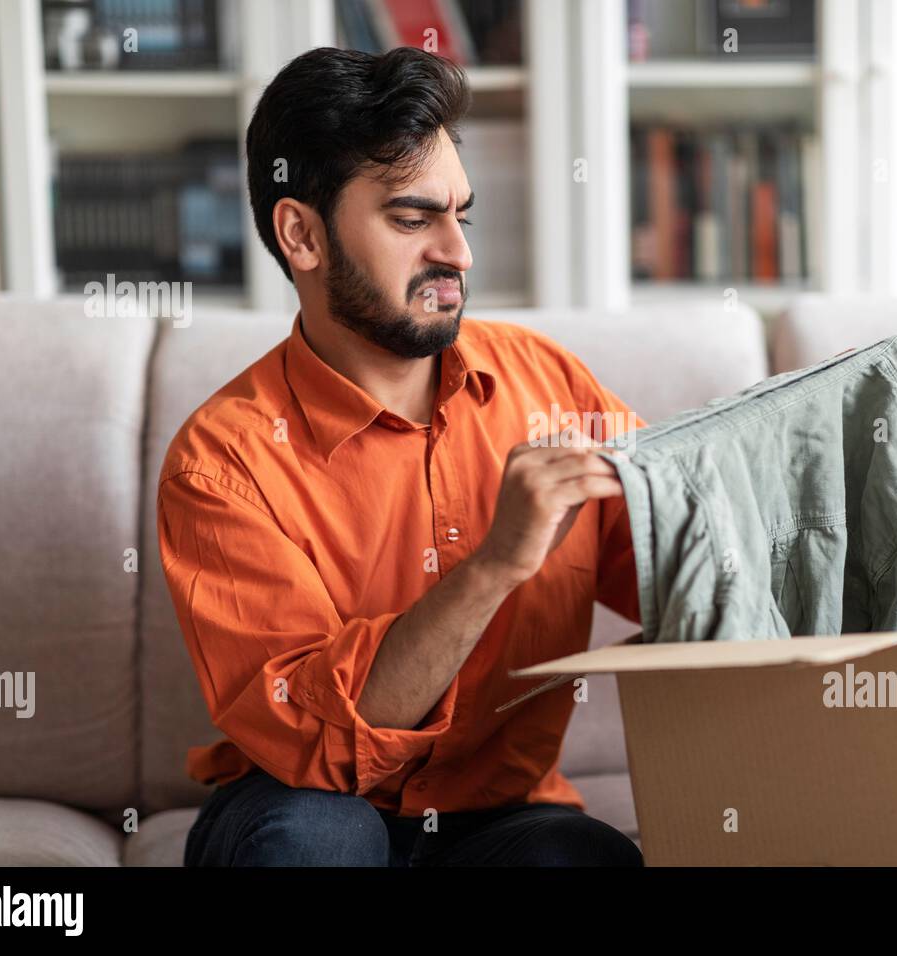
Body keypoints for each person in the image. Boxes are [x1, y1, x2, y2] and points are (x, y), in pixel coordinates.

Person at [158, 46, 645, 866]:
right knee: (316, 844)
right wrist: (494, 566)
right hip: (300, 800)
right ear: (301, 234)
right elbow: (320, 744)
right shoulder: (223, 463)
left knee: (575, 860)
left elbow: (687, 568)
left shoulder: (550, 385)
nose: (458, 253)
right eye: (414, 219)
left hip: (501, 814)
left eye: (463, 215)